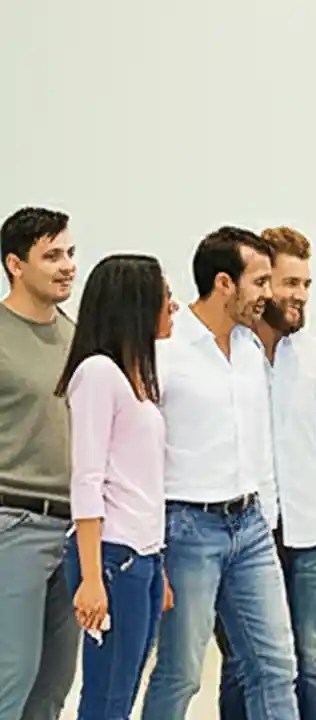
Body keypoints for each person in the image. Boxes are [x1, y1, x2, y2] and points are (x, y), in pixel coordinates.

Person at [140, 226, 300, 720]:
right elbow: (139, 454)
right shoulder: (163, 351)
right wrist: (152, 544)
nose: (268, 295)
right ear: (224, 283)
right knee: (182, 672)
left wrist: (269, 524)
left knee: (276, 666)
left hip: (250, 526)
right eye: (260, 282)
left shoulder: (251, 351)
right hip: (187, 529)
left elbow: (260, 448)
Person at [215, 226, 316, 719]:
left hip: (312, 535)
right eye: (287, 283)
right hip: (246, 534)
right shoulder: (230, 357)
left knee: (309, 661)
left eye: (306, 284)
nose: (298, 295)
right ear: (260, 283)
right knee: (240, 661)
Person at [54, 254, 179, 719]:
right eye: (165, 296)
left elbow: (140, 480)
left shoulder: (138, 380)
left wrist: (156, 563)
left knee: (122, 694)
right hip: (109, 559)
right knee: (107, 697)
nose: (174, 306)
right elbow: (87, 479)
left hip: (140, 558)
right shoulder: (97, 374)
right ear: (137, 304)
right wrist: (90, 577)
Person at [0, 206, 79, 720]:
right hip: (13, 524)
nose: (67, 264)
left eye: (70, 252)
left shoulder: (77, 334)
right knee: (11, 678)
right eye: (52, 255)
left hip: (72, 529)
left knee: (52, 690)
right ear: (15, 264)